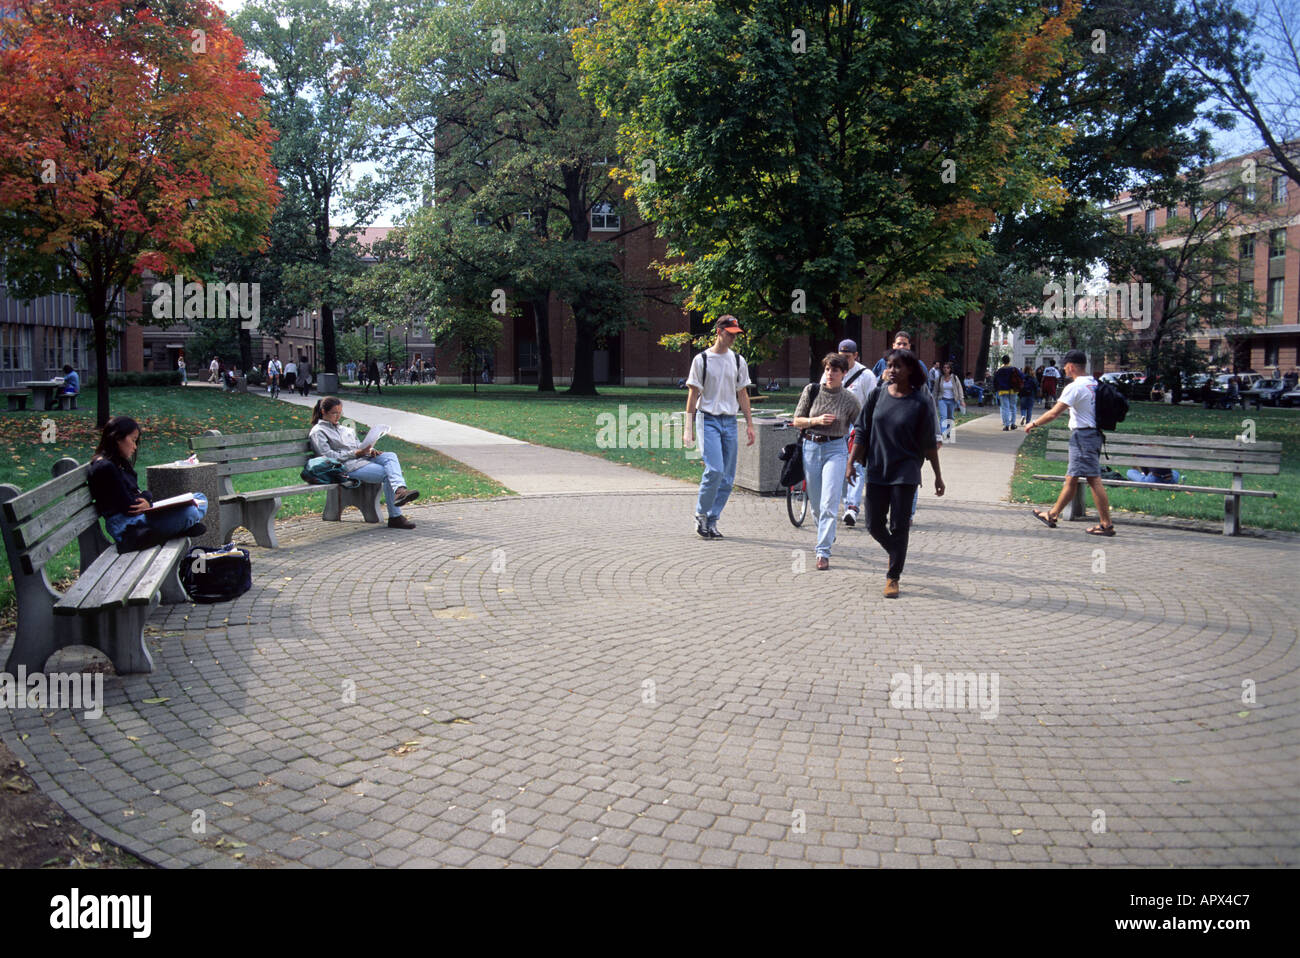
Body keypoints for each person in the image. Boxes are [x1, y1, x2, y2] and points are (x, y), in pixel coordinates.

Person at [849, 349, 944, 597]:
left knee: (899, 526)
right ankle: (896, 551)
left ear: (910, 370)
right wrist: (851, 463)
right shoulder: (876, 395)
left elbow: (928, 444)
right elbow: (861, 430)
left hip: (906, 472)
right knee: (873, 524)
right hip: (878, 468)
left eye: (898, 366)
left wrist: (937, 475)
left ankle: (893, 577)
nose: (891, 370)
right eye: (889, 365)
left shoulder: (921, 402)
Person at [1026, 349, 1114, 536]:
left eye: (1065, 366)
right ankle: (1052, 514)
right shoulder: (1094, 383)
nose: (1064, 369)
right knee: (1072, 478)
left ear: (1071, 366)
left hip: (1083, 437)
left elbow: (1053, 413)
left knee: (1093, 480)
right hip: (1093, 435)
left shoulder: (1075, 387)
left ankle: (1106, 524)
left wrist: (1033, 423)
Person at [88, 416, 208, 551]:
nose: (134, 447)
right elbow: (131, 507)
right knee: (189, 512)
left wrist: (146, 498)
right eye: (133, 440)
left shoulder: (119, 462)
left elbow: (138, 493)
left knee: (200, 498)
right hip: (129, 528)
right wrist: (147, 501)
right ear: (117, 437)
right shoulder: (105, 468)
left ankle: (174, 530)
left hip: (140, 519)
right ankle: (176, 529)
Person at [683, 315, 755, 539]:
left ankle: (712, 520)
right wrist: (688, 428)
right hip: (708, 419)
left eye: (736, 334)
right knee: (714, 469)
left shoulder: (737, 360)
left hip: (730, 421)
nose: (733, 337)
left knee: (727, 477)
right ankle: (701, 514)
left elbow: (742, 394)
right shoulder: (702, 360)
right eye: (730, 333)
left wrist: (750, 425)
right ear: (718, 332)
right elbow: (693, 393)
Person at [792, 353, 861, 569]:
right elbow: (796, 421)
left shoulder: (849, 399)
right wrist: (816, 420)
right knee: (816, 504)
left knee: (829, 502)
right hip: (811, 447)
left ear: (844, 373)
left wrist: (856, 456)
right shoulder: (812, 391)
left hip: (836, 449)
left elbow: (861, 428)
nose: (830, 374)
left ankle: (822, 552)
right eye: (827, 369)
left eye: (835, 370)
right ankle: (827, 533)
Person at [308, 397, 420, 529]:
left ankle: (400, 491)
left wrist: (369, 450)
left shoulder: (344, 429)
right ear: (323, 411)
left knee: (390, 456)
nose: (338, 416)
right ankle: (395, 517)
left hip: (360, 459)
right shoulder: (318, 431)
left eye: (340, 413)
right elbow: (328, 457)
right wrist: (356, 453)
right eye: (334, 413)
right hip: (345, 467)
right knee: (388, 473)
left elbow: (357, 446)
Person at [835, 339, 877, 528]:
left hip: (857, 426)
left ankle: (852, 507)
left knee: (856, 466)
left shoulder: (866, 375)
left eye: (848, 357)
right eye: (841, 356)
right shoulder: (832, 370)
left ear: (856, 356)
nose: (844, 360)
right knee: (839, 464)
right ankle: (844, 502)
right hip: (835, 425)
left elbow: (873, 402)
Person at [936, 362, 965, 440]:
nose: (946, 369)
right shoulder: (939, 378)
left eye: (947, 368)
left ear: (950, 369)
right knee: (943, 416)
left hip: (952, 400)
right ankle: (942, 433)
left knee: (950, 417)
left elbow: (960, 389)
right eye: (944, 368)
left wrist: (961, 400)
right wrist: (933, 400)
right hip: (942, 400)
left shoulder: (955, 378)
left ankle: (948, 433)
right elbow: (935, 391)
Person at [991, 355, 1019, 429]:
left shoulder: (999, 371)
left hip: (1002, 390)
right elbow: (1021, 377)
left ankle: (1006, 425)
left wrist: (996, 389)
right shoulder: (1014, 369)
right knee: (1013, 407)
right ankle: (1013, 423)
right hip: (1013, 390)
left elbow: (995, 381)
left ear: (1002, 361)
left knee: (1005, 408)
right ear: (1009, 361)